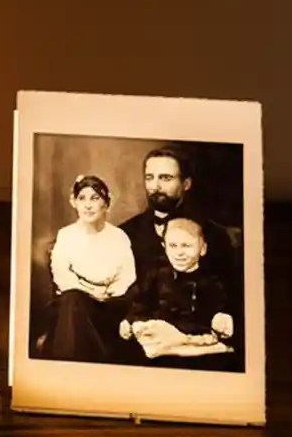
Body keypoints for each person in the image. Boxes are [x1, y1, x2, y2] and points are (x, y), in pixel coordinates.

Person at [35, 175, 136, 364]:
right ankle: (70, 363)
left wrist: (108, 294)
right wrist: (90, 292)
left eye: (95, 198)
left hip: (110, 302)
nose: (88, 205)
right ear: (74, 202)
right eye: (82, 198)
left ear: (106, 203)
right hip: (77, 300)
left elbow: (127, 275)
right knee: (72, 300)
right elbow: (62, 274)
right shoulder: (66, 235)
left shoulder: (119, 236)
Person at [120, 218, 238, 369]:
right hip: (161, 340)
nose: (179, 253)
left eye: (187, 246)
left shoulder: (212, 282)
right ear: (164, 247)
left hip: (194, 340)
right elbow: (140, 302)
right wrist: (130, 320)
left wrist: (221, 320)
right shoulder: (156, 276)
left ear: (203, 249)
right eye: (173, 246)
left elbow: (216, 312)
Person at [119, 147, 235, 284]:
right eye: (149, 178)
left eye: (165, 178)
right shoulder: (125, 234)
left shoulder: (214, 235)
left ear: (186, 184)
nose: (155, 186)